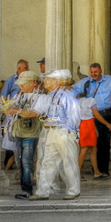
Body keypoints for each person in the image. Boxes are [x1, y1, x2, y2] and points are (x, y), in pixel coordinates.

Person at [35, 70, 81, 200]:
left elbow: (74, 115)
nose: (45, 82)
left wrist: (71, 131)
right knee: (47, 161)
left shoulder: (66, 95)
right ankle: (43, 191)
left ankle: (73, 190)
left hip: (63, 131)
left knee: (69, 161)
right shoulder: (50, 96)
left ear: (56, 81)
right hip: (52, 130)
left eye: (48, 79)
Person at [75, 63, 111, 179]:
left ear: (100, 71)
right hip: (94, 114)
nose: (93, 74)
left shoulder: (109, 80)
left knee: (105, 142)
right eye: (92, 72)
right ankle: (95, 170)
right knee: (94, 143)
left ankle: (103, 169)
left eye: (95, 72)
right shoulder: (86, 82)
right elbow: (74, 90)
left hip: (108, 111)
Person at [2, 71, 45, 196]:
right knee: (20, 162)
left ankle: (27, 189)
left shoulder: (40, 97)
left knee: (27, 162)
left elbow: (33, 113)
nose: (20, 86)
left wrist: (18, 110)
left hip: (31, 134)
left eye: (23, 83)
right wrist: (7, 108)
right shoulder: (20, 95)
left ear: (33, 83)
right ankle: (24, 187)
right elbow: (12, 108)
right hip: (19, 132)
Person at [1, 60, 29, 169]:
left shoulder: (29, 80)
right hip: (12, 114)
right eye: (25, 68)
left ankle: (18, 165)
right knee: (11, 140)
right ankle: (9, 165)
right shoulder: (10, 81)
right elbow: (3, 97)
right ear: (19, 69)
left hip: (24, 113)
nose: (27, 69)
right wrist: (6, 109)